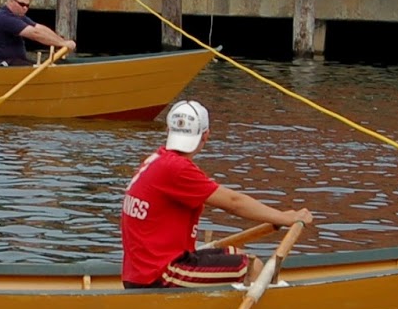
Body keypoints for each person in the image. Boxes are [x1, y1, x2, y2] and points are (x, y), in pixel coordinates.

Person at [121, 99, 314, 289]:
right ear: (205, 136)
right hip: (160, 274)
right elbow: (234, 202)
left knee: (235, 254)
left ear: (168, 131)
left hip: (142, 270)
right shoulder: (177, 168)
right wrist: (286, 217)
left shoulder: (157, 159)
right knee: (251, 268)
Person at [0, 0, 75, 66]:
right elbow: (35, 34)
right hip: (1, 65)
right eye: (22, 4)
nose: (25, 8)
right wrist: (62, 43)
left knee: (55, 64)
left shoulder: (18, 16)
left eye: (27, 5)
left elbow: (39, 28)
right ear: (11, 1)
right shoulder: (4, 17)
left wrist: (61, 43)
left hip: (15, 62)